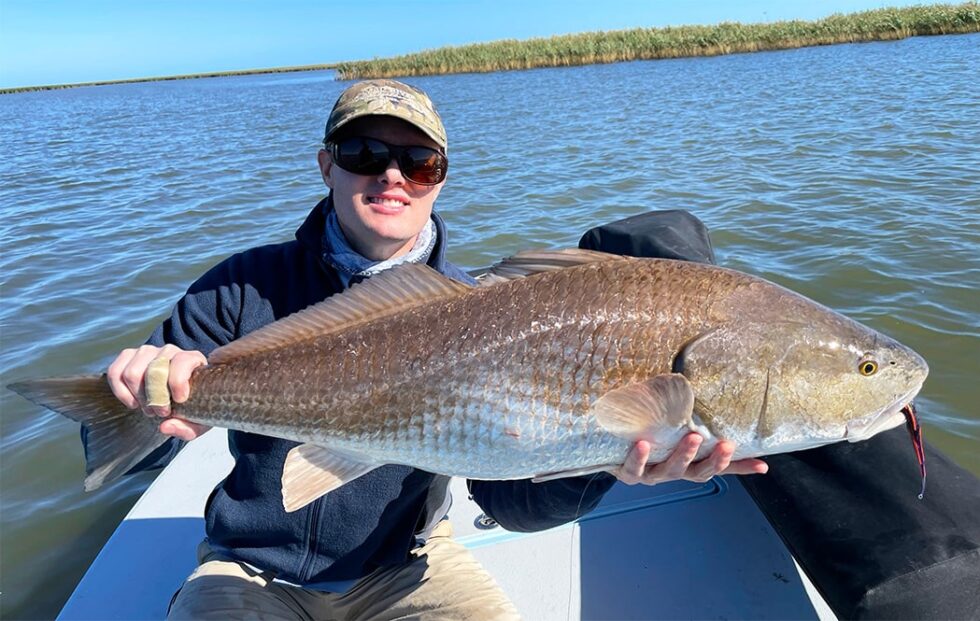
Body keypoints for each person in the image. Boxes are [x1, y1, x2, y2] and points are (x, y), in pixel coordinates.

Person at [101, 79, 767, 620]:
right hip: (251, 572)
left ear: (440, 179)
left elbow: (507, 502)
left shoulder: (484, 311)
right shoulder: (238, 288)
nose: (393, 175)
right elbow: (140, 443)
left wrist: (604, 461)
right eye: (365, 152)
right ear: (326, 164)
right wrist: (136, 389)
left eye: (419, 162)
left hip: (409, 569)